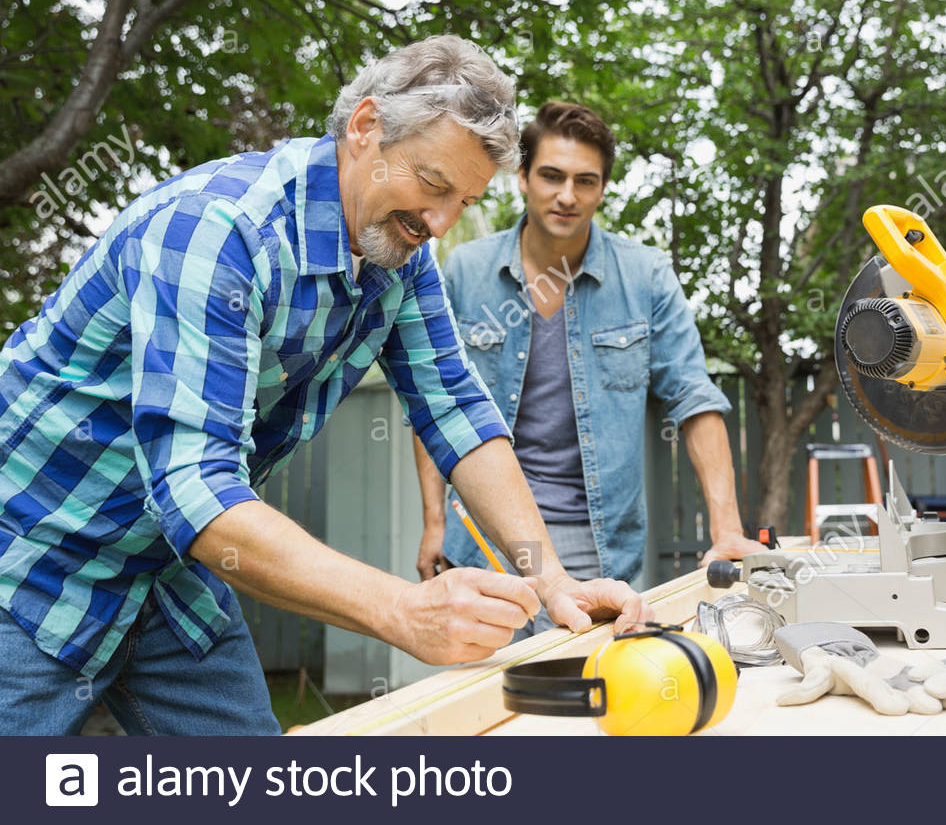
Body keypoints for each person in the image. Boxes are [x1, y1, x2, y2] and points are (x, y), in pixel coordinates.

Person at [0, 37, 649, 736]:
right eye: (433, 186)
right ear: (366, 127)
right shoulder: (216, 233)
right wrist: (402, 610)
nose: (440, 225)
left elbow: (457, 409)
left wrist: (550, 578)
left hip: (162, 570)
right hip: (35, 553)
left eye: (463, 201)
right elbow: (197, 489)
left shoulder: (401, 258)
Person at [413, 101, 765, 634]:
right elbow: (433, 401)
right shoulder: (467, 269)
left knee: (600, 697)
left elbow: (694, 397)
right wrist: (434, 522)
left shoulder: (644, 276)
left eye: (585, 181)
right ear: (523, 178)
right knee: (496, 701)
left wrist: (727, 527)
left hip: (599, 540)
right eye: (551, 176)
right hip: (483, 535)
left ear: (602, 189)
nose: (567, 195)